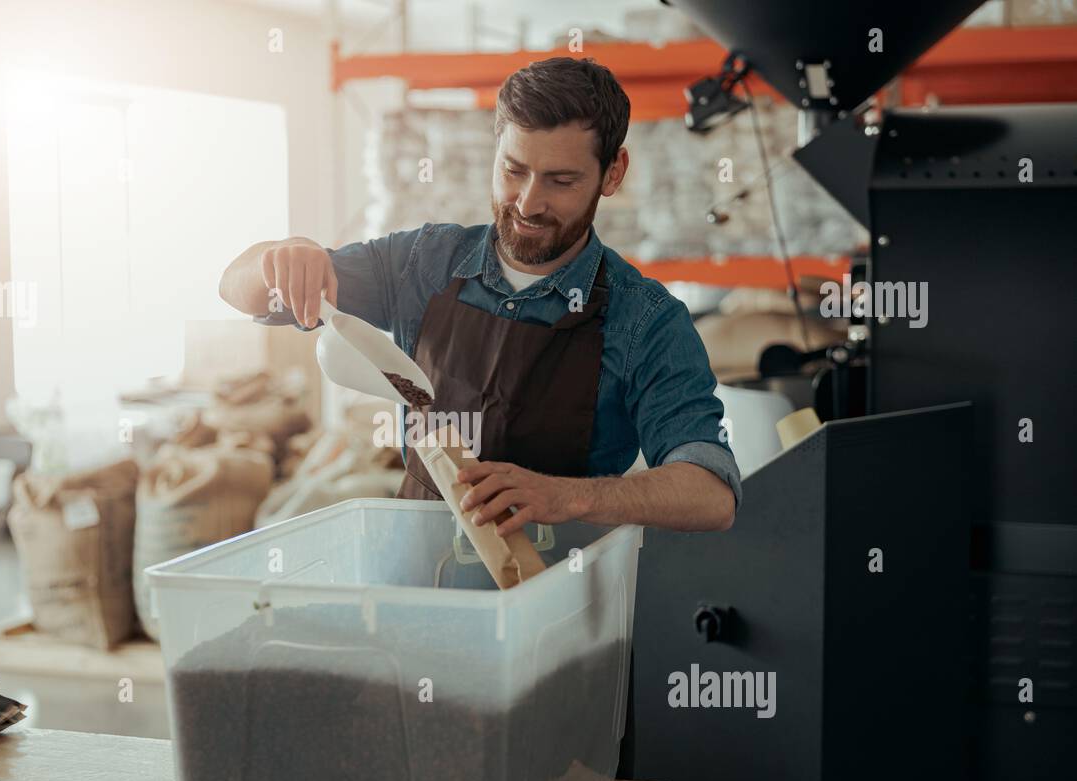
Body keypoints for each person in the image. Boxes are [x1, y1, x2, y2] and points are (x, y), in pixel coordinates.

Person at [220, 56, 739, 535]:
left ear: (613, 173)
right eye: (514, 171)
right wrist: (285, 257)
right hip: (418, 580)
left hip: (555, 598)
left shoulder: (644, 320)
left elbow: (712, 493)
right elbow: (236, 288)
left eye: (561, 180)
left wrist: (566, 498)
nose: (528, 203)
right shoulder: (422, 263)